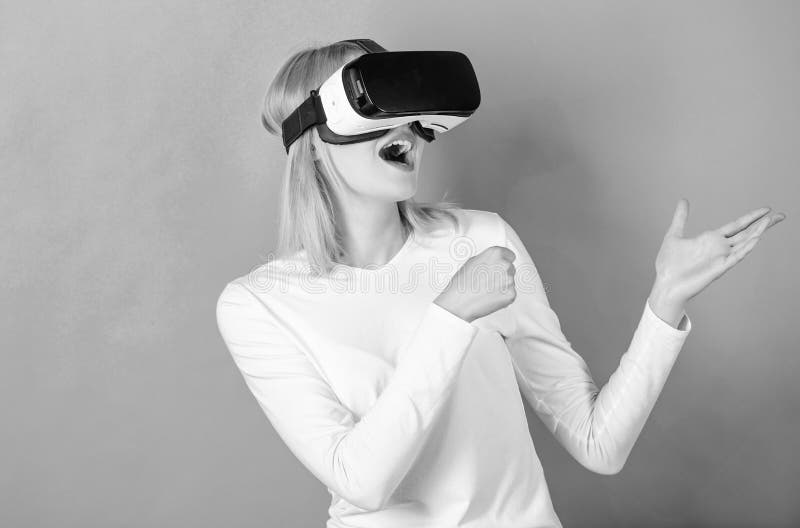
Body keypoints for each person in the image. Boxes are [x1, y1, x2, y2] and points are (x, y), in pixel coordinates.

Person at [215, 40, 786, 528]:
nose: (410, 130)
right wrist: (450, 315)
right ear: (315, 134)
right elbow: (361, 481)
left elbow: (598, 445)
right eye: (382, 104)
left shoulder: (482, 239)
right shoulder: (260, 305)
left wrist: (666, 302)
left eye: (415, 111)